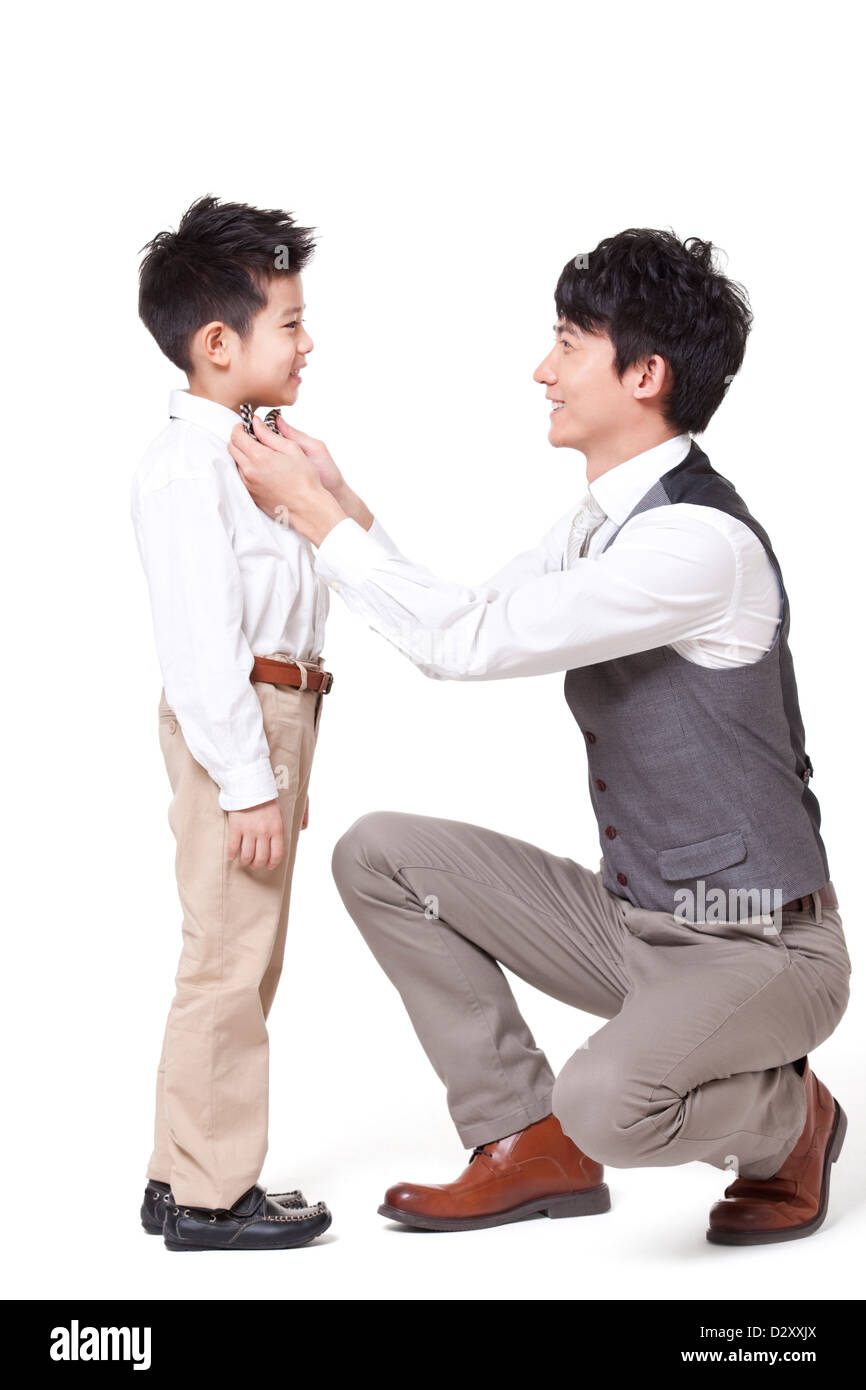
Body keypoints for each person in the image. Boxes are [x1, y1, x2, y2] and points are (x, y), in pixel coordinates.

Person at [227, 228, 852, 1245]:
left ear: (643, 374)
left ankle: (789, 1119)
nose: (541, 369)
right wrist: (336, 502)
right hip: (640, 926)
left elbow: (462, 645)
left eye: (568, 343)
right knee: (382, 854)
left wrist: (313, 520)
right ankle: (524, 1135)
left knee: (607, 1103)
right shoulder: (599, 524)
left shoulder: (695, 545)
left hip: (757, 943)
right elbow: (471, 611)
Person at [131, 195, 350, 1251]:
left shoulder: (253, 451)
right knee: (229, 956)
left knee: (233, 951)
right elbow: (200, 642)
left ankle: (178, 1173)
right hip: (242, 717)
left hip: (274, 715)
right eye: (291, 323)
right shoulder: (189, 466)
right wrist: (250, 777)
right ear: (218, 345)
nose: (309, 342)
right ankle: (215, 1195)